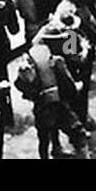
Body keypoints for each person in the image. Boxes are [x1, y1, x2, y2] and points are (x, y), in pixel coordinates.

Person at [16, 20, 88, 160]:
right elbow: (69, 83)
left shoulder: (32, 54)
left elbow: (20, 83)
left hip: (40, 104)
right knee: (77, 131)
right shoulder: (56, 60)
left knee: (44, 138)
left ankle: (53, 150)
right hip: (56, 102)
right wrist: (77, 88)